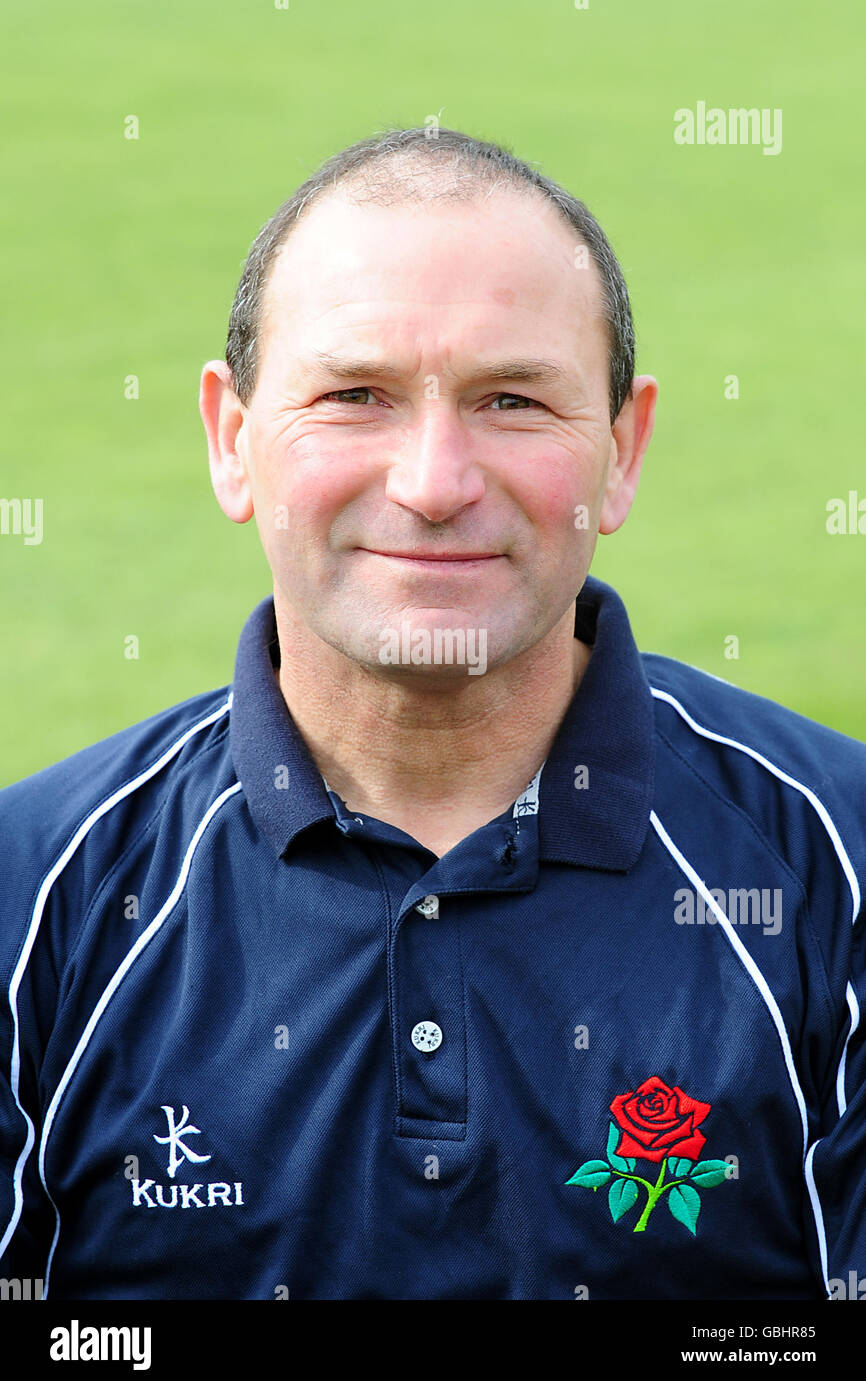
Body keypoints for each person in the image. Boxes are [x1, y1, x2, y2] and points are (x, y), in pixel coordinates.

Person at [0, 126, 863, 1301]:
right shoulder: (32, 896)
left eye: (510, 398)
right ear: (231, 436)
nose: (431, 482)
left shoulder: (836, 866)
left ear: (621, 448)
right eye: (353, 395)